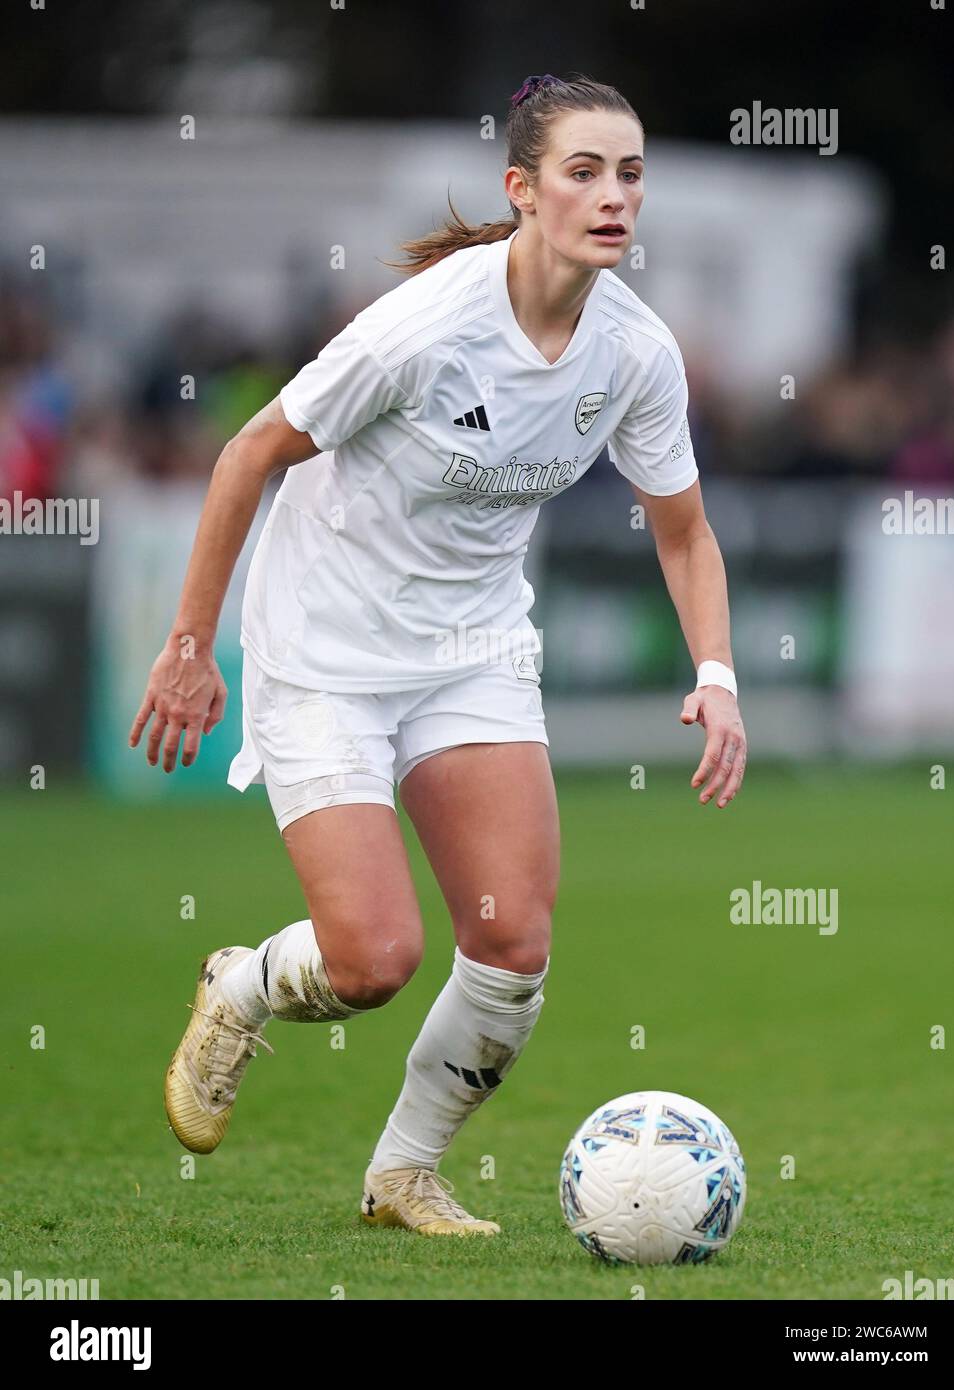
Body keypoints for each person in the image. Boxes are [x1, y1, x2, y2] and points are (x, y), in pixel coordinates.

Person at [129, 72, 747, 1238]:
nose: (615, 196)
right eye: (584, 171)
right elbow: (248, 454)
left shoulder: (636, 353)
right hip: (325, 646)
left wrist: (716, 677)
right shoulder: (426, 327)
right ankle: (242, 985)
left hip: (471, 649)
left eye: (631, 173)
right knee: (374, 959)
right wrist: (188, 649)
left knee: (512, 941)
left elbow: (684, 531)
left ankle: (403, 1173)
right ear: (521, 191)